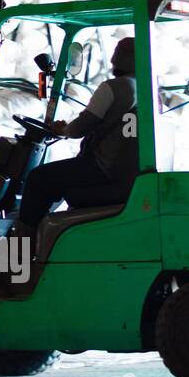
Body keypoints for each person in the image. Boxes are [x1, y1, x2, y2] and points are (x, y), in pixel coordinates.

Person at [17, 36, 140, 233]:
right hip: (128, 174)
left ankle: (22, 245)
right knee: (56, 178)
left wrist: (62, 130)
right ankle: (45, 234)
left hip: (103, 169)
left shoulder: (113, 87)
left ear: (118, 59)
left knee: (37, 179)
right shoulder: (149, 91)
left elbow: (79, 128)